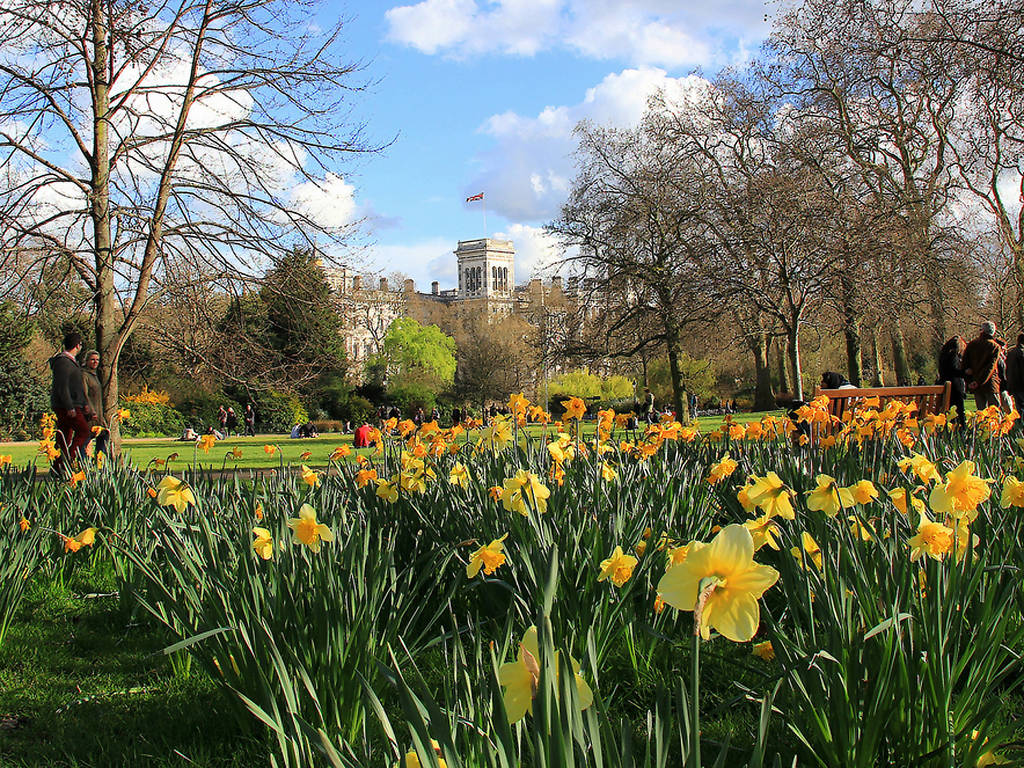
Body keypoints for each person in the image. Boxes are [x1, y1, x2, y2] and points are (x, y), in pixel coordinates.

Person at [49, 332, 91, 475]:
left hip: (73, 404)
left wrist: (84, 403)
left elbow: (76, 386)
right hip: (67, 406)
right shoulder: (63, 362)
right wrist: (69, 407)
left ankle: (58, 467)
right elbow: (62, 387)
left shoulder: (70, 362)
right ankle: (67, 460)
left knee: (64, 436)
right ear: (77, 346)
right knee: (84, 431)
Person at [964, 321, 1004, 410]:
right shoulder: (995, 346)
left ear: (982, 331)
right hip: (990, 383)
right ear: (993, 332)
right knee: (995, 412)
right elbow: (991, 367)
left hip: (975, 383)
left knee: (981, 412)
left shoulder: (972, 344)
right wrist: (979, 381)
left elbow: (965, 365)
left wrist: (970, 381)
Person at [81, 349, 109, 457]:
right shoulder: (84, 375)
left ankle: (99, 461)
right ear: (87, 361)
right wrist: (91, 412)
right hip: (90, 416)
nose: (95, 362)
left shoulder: (94, 375)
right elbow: (84, 394)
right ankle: (82, 464)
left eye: (97, 360)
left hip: (98, 415)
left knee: (104, 434)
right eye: (92, 360)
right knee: (86, 439)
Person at [938, 336, 968, 427]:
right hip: (955, 388)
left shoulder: (943, 355)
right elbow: (954, 370)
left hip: (944, 385)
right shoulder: (954, 355)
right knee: (959, 412)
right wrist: (965, 372)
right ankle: (961, 430)